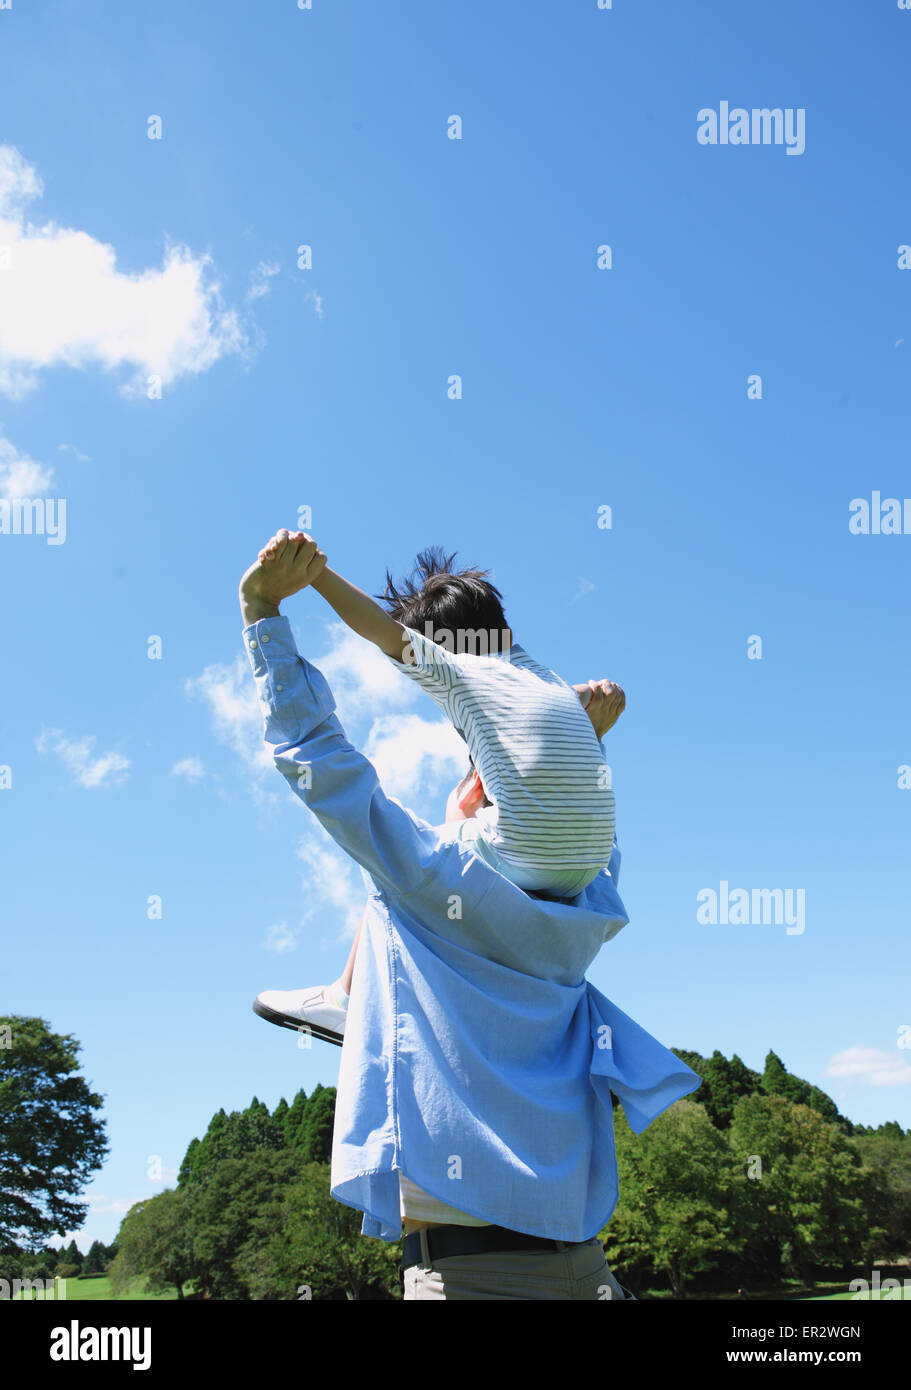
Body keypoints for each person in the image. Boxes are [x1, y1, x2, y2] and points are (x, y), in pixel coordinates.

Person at [239, 532, 701, 1300]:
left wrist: (263, 613)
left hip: (471, 1278)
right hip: (588, 1273)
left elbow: (317, 755)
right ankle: (340, 997)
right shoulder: (591, 906)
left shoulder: (425, 881)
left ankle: (341, 997)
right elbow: (569, 809)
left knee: (385, 876)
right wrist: (585, 744)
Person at [252, 532, 624, 1043]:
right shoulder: (547, 678)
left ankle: (342, 997)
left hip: (524, 853)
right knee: (467, 815)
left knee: (397, 860)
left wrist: (314, 574)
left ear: (436, 647)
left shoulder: (456, 671)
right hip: (587, 871)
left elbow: (380, 630)